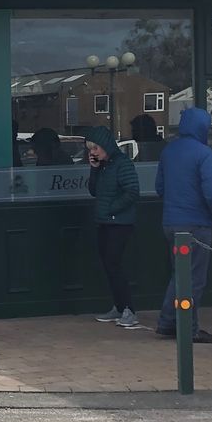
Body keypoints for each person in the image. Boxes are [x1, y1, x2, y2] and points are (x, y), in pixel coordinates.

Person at [155, 107, 212, 344]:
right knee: (193, 278)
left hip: (171, 222)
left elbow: (159, 188)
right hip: (196, 224)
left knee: (179, 275)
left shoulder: (168, 151)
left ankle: (167, 322)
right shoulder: (205, 154)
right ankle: (189, 328)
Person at [86, 126, 140, 328]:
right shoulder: (103, 166)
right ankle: (119, 306)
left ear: (106, 146)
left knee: (114, 264)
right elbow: (93, 190)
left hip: (120, 223)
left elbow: (132, 191)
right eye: (90, 149)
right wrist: (94, 168)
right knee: (108, 265)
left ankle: (129, 310)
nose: (92, 152)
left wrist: (111, 208)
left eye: (95, 148)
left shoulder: (122, 164)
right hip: (105, 222)